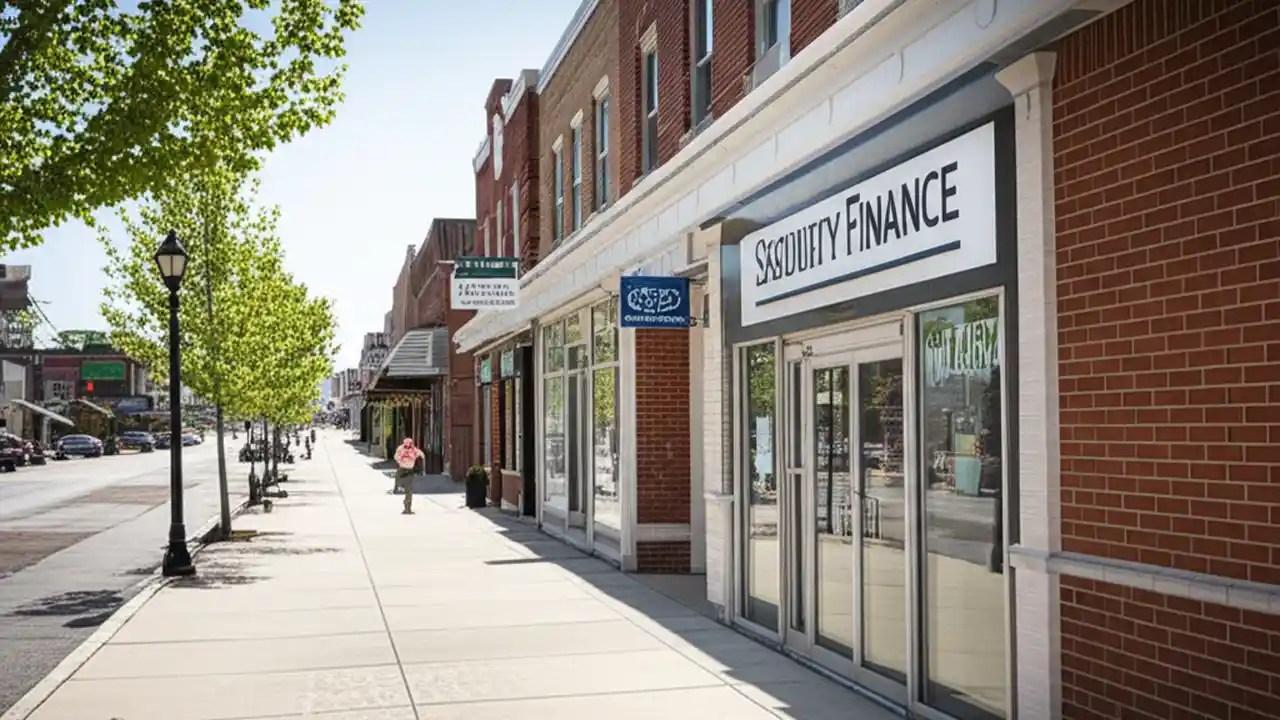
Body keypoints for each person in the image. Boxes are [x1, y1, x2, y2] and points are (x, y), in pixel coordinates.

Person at [393, 438, 423, 515]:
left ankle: (407, 507)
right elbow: (422, 455)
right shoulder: (413, 449)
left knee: (402, 485)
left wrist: (400, 461)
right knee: (409, 491)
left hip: (402, 470)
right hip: (409, 470)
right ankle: (407, 508)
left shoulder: (401, 448)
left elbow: (396, 457)